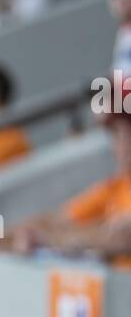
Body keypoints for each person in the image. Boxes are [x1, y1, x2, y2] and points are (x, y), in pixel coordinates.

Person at [9, 110, 131, 270]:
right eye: (113, 135)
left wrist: (48, 239)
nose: (115, 146)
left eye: (118, 133)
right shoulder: (115, 186)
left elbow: (124, 236)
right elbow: (53, 221)